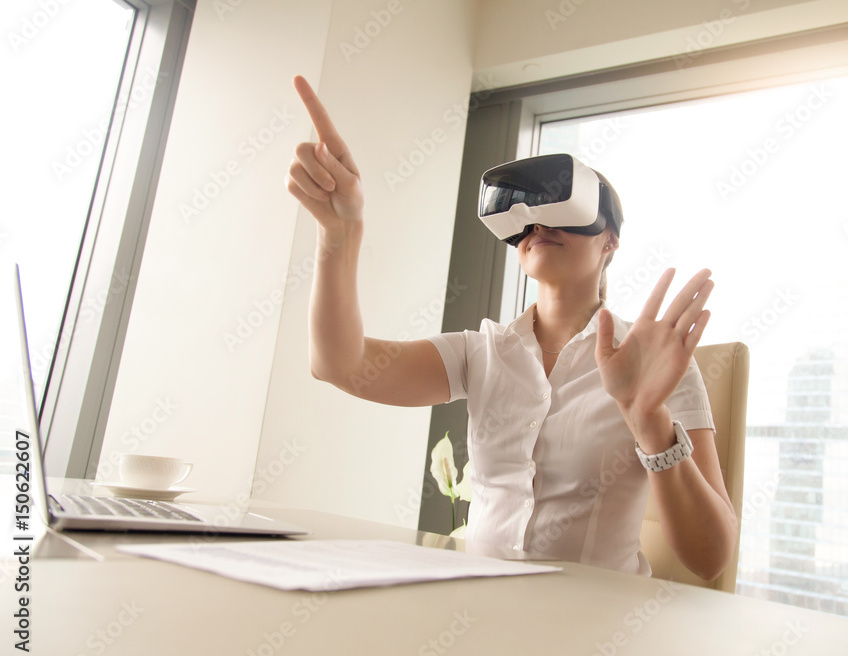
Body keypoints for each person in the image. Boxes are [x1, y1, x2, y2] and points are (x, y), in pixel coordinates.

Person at [285, 75, 738, 580]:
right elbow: (339, 364)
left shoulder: (655, 364)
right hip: (476, 607)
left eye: (559, 208)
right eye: (527, 215)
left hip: (594, 620)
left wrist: (648, 418)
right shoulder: (481, 353)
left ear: (609, 239)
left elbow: (710, 558)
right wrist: (340, 233)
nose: (538, 223)